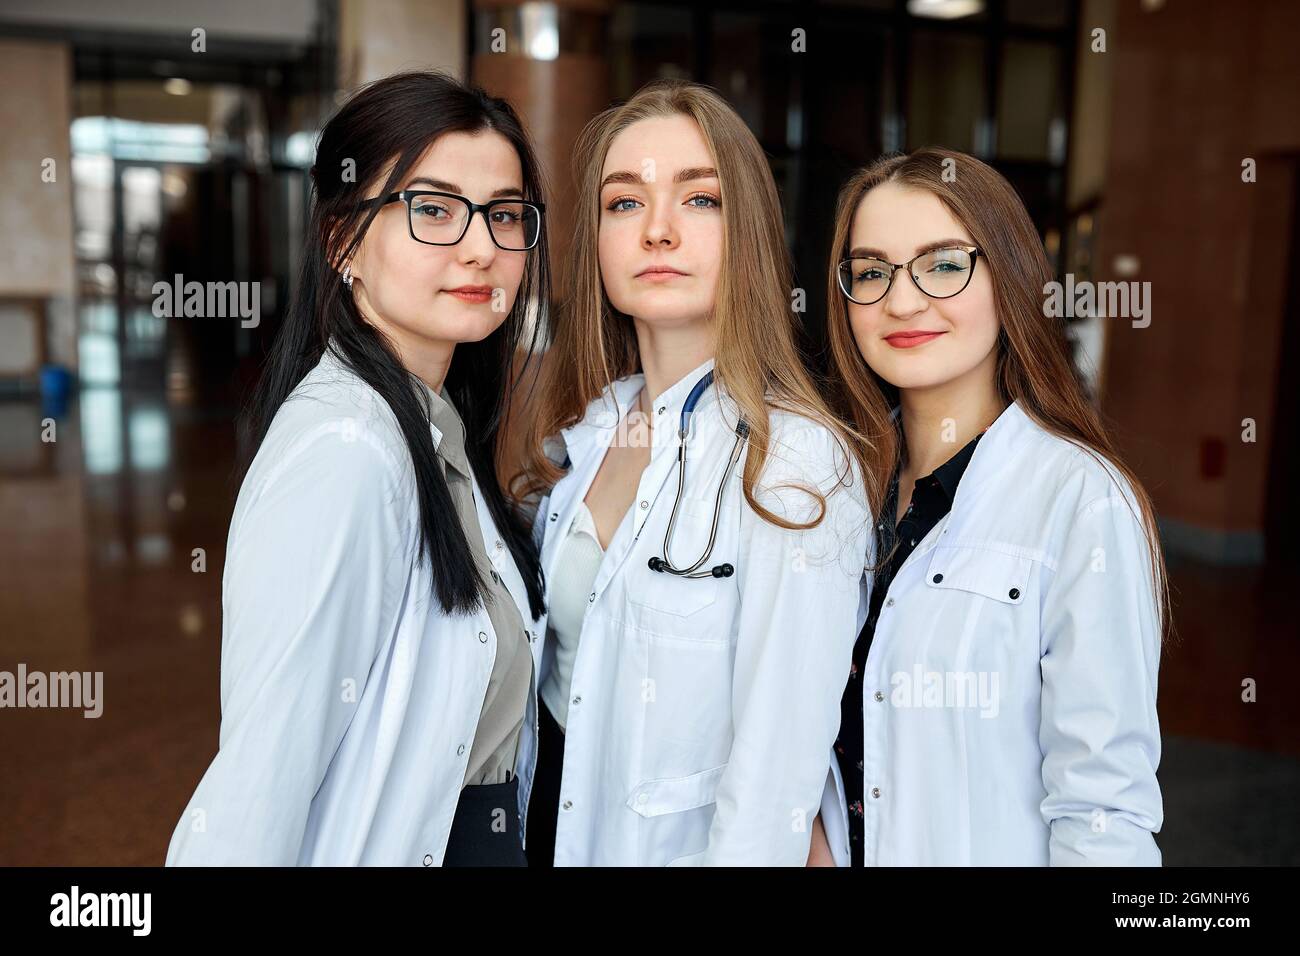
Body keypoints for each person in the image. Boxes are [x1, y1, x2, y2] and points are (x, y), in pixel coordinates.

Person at [166, 70, 550, 866]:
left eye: (505, 215)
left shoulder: (435, 425)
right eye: (433, 209)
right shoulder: (348, 453)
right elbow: (259, 781)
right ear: (343, 242)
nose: (482, 247)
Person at [514, 79, 872, 866]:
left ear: (746, 230)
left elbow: (775, 784)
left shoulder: (796, 462)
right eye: (624, 203)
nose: (659, 232)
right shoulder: (592, 429)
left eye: (700, 200)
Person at [810, 147, 1166, 866]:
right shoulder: (828, 486)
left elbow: (1102, 811)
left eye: (943, 264)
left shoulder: (1080, 500)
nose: (902, 302)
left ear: (1008, 278)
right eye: (872, 272)